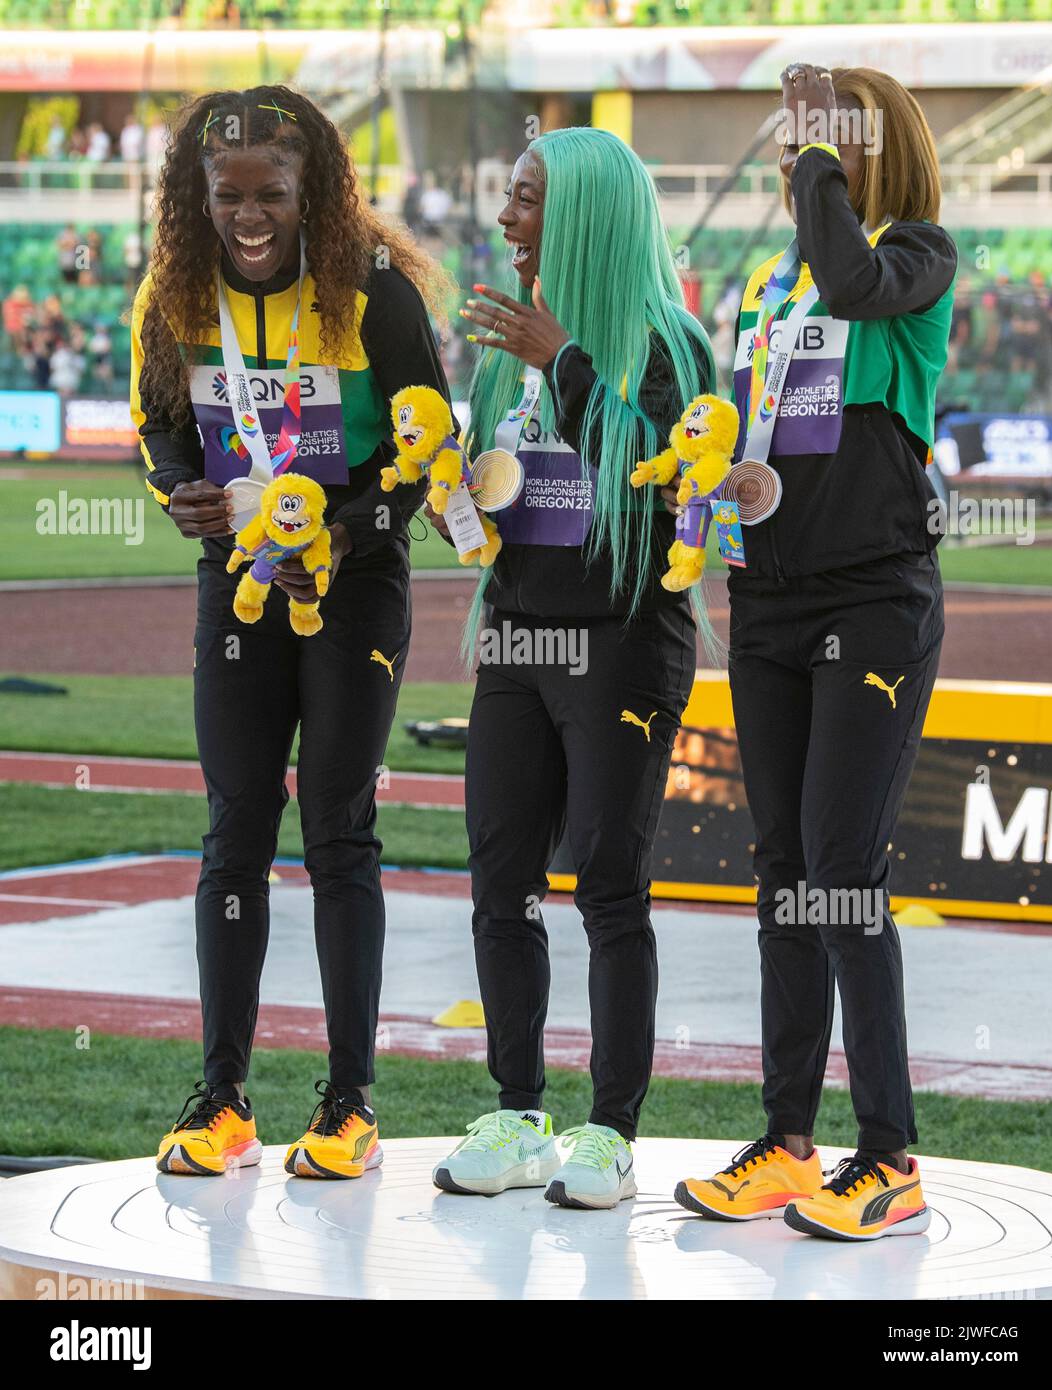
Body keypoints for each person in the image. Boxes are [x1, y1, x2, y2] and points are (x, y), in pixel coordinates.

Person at [131, 85, 453, 1180]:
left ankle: (350, 1104)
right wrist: (181, 492)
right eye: (228, 195)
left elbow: (425, 450)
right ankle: (222, 1098)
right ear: (198, 193)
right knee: (233, 828)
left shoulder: (372, 290)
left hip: (352, 586)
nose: (250, 215)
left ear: (312, 190)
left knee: (338, 826)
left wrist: (349, 521)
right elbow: (161, 428)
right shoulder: (173, 291)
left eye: (273, 193)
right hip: (242, 586)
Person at [674, 64, 956, 1242]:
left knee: (844, 868)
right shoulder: (771, 278)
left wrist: (818, 164)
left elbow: (854, 275)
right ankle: (790, 1141)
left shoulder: (919, 252)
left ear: (867, 147)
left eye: (824, 138)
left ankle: (887, 1154)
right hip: (770, 599)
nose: (799, 151)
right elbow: (766, 414)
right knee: (786, 868)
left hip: (875, 599)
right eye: (796, 137)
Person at [428, 127, 717, 1210]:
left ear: (588, 214)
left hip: (624, 646)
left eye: (528, 200)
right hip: (518, 639)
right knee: (500, 882)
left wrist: (570, 363)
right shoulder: (506, 349)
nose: (506, 218)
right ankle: (517, 1108)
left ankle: (613, 1130)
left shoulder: (674, 345)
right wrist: (455, 496)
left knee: (607, 884)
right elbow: (508, 507)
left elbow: (652, 489)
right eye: (506, 197)